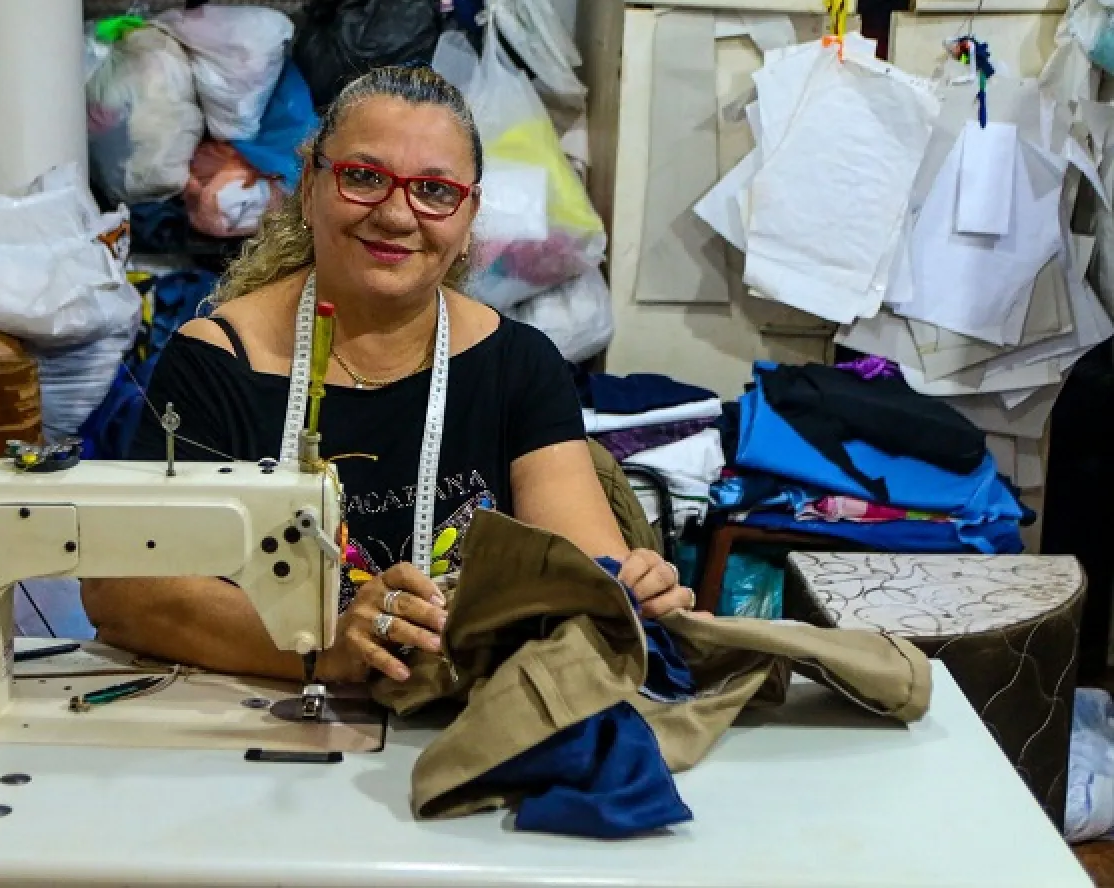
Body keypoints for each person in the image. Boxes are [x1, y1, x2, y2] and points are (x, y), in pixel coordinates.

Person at [82, 66, 693, 685]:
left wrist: (627, 590)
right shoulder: (220, 360)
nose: (398, 215)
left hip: (453, 726)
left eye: (434, 189)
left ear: (468, 214)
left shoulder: (519, 365)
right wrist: (321, 650)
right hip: (264, 712)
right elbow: (125, 594)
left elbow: (585, 568)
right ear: (312, 187)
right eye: (365, 178)